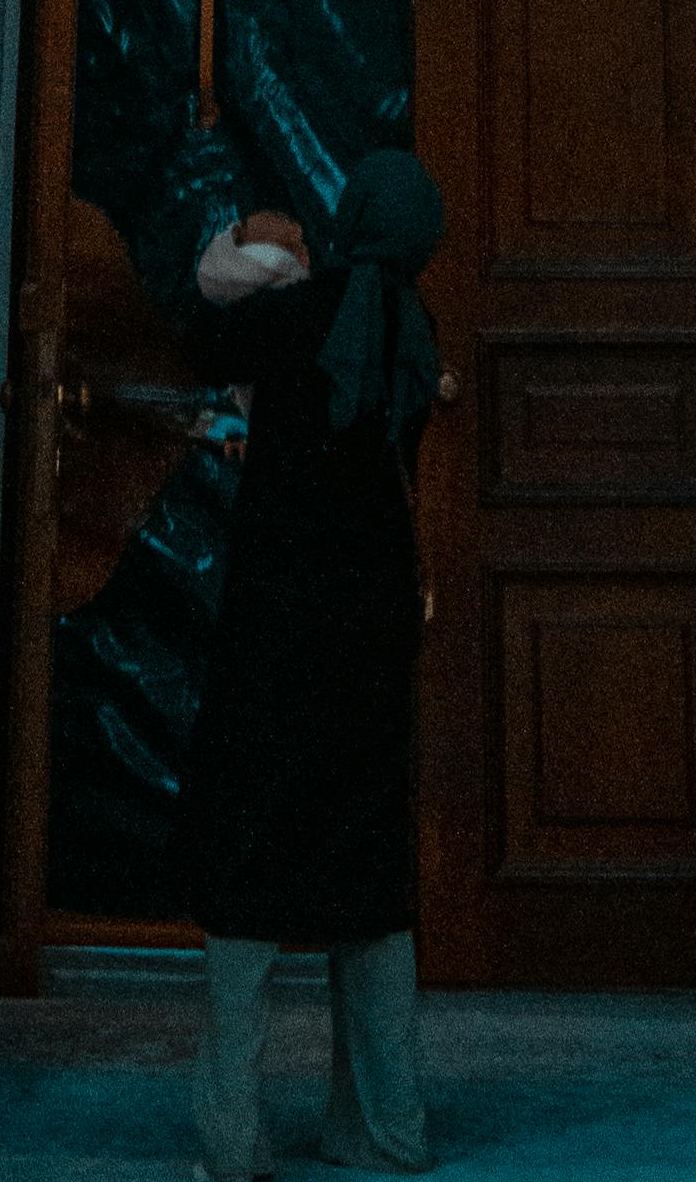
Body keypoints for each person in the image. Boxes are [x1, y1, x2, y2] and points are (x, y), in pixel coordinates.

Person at [168, 137, 445, 1182]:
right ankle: (386, 1127)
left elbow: (202, 337)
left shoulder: (302, 317)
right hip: (372, 627)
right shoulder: (416, 329)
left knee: (252, 868)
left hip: (280, 621)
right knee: (367, 877)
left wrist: (240, 240)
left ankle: (233, 1139)